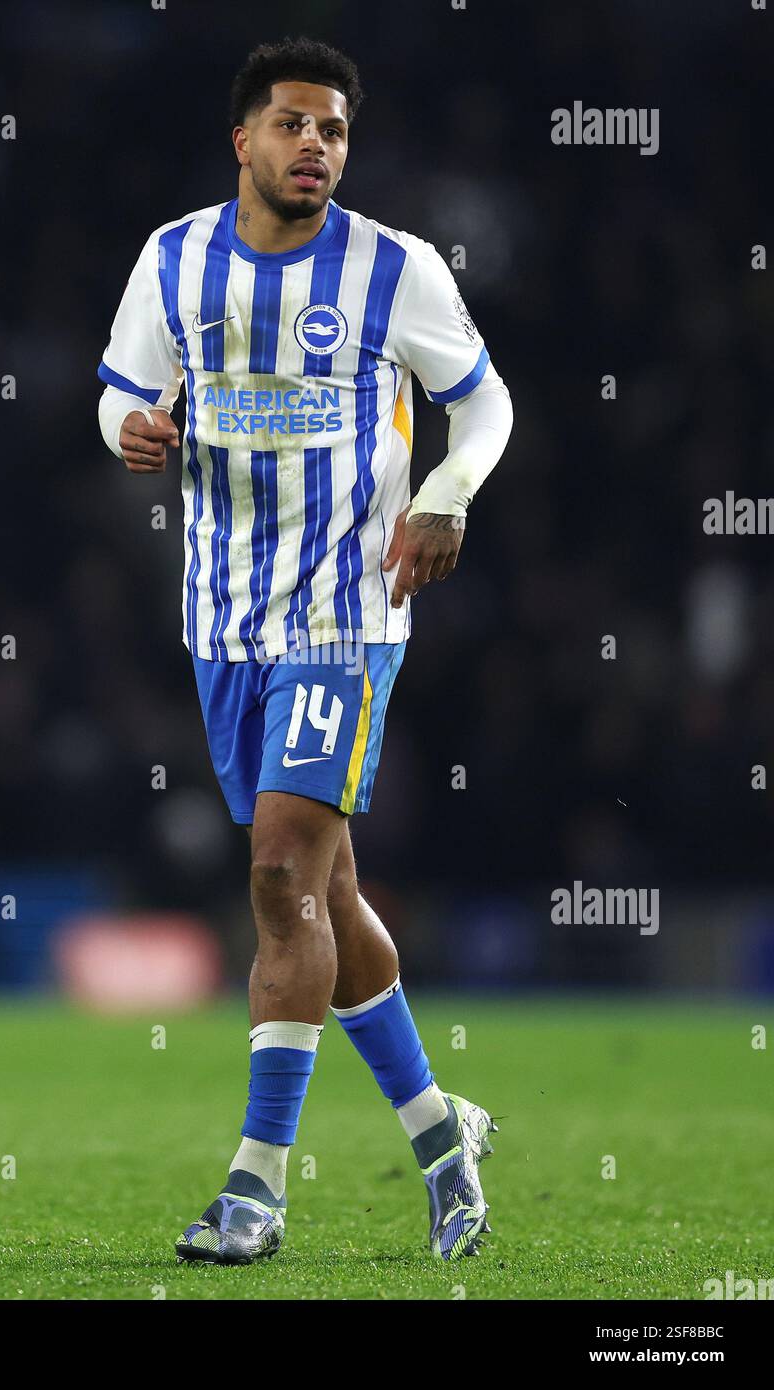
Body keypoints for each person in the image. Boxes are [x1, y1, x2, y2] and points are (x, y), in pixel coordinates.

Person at [97, 36, 513, 1265]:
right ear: (245, 140)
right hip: (222, 618)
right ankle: (445, 1138)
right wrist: (130, 424)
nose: (314, 146)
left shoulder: (399, 269)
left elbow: (482, 401)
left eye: (331, 130)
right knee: (323, 894)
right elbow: (116, 381)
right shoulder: (172, 259)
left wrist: (448, 490)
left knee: (278, 876)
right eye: (291, 125)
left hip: (346, 615)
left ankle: (254, 1189)